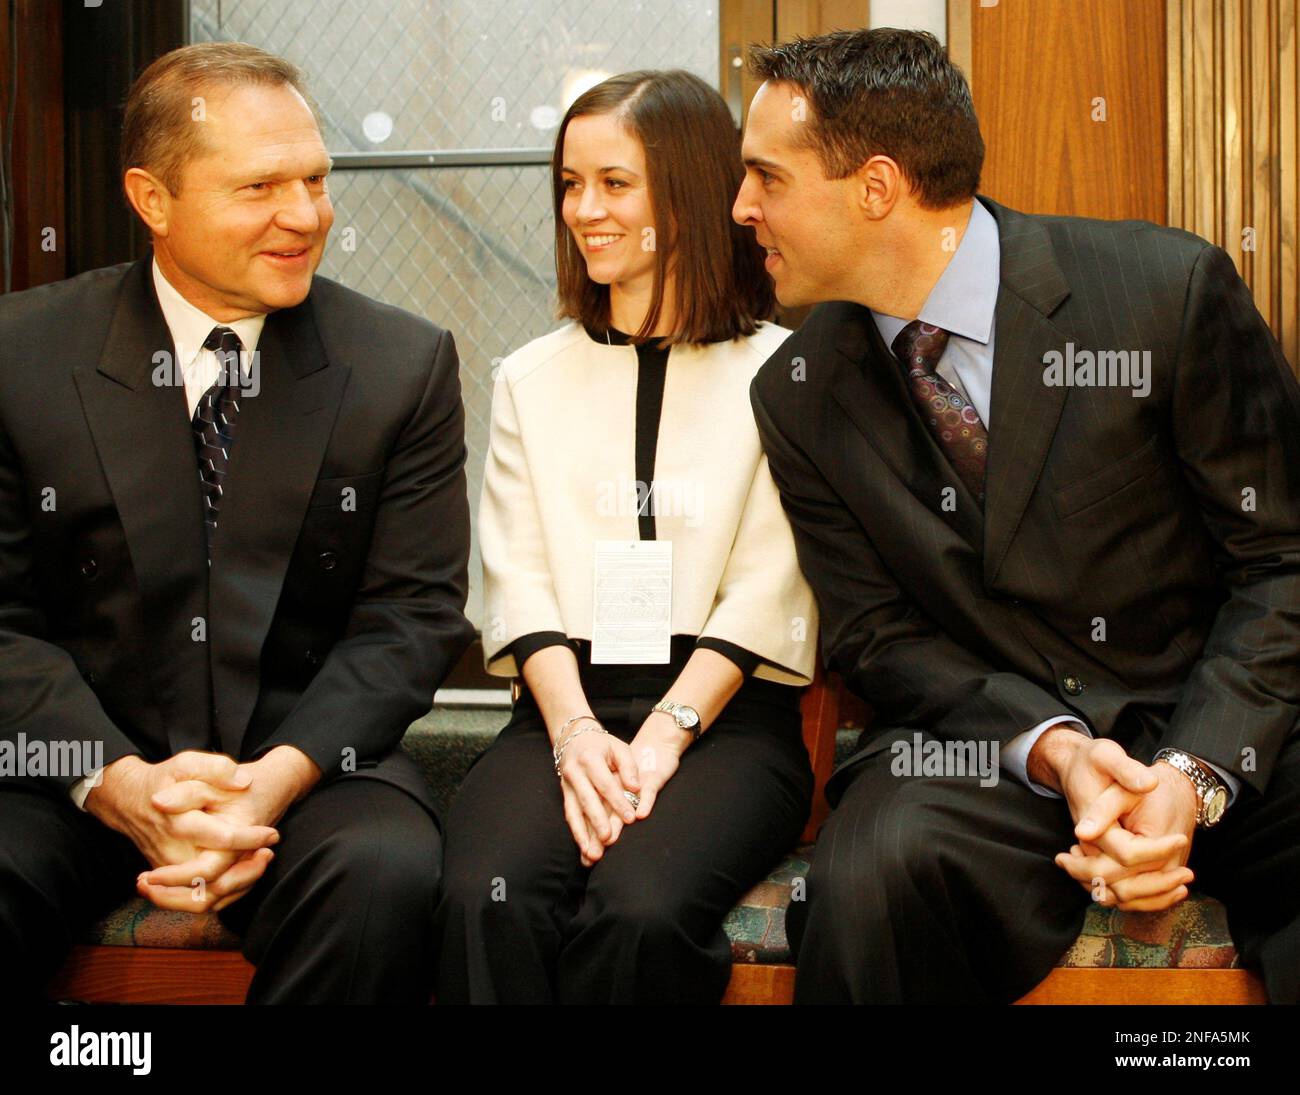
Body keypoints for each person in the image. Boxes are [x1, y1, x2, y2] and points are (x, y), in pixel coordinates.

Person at [734, 28, 1300, 1003]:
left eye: (766, 177)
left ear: (876, 187)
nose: (741, 207)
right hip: (993, 748)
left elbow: (1281, 561)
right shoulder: (797, 391)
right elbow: (876, 637)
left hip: (1221, 718)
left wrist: (1192, 772)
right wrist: (1059, 749)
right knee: (867, 879)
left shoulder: (1163, 294)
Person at [0, 42, 475, 1003]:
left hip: (312, 770)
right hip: (71, 770)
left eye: (316, 181)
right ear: (153, 199)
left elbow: (411, 619)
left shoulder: (401, 364)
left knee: (383, 877)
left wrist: (274, 780)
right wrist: (117, 781)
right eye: (260, 186)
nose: (305, 215)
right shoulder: (20, 355)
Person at [433, 69, 818, 1004]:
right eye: (571, 184)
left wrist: (663, 736)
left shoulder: (786, 373)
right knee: (487, 898)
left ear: (687, 193)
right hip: (560, 710)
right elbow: (518, 577)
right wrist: (575, 734)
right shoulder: (529, 377)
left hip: (728, 723)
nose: (584, 210)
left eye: (615, 183)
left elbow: (768, 588)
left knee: (639, 910)